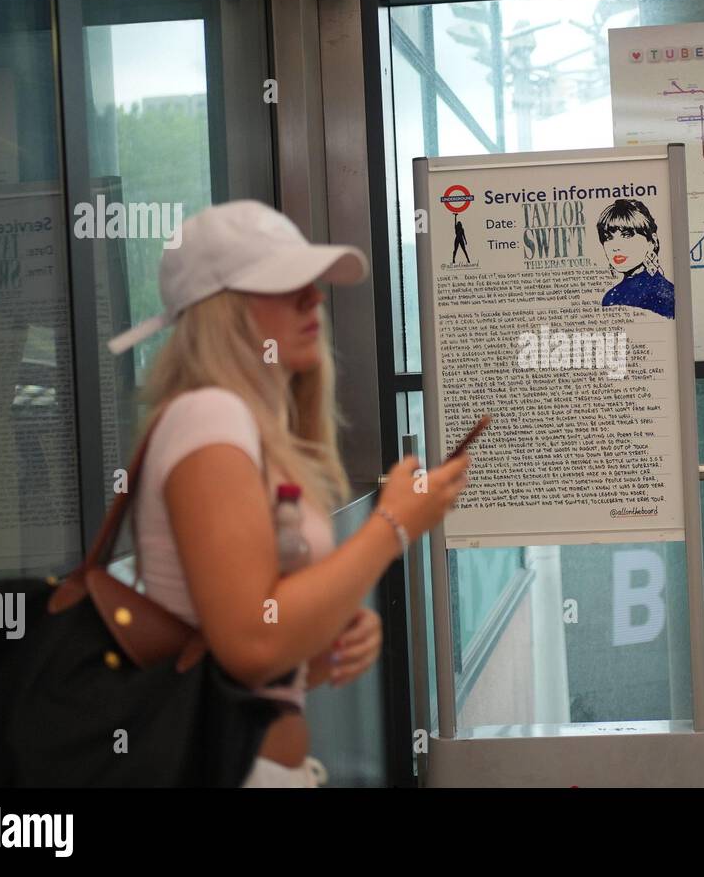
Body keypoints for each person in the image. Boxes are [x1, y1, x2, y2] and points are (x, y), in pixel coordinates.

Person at [107, 200, 469, 787]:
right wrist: (392, 527)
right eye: (283, 285)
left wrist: (324, 647)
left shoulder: (244, 428)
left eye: (311, 281)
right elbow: (251, 639)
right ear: (220, 312)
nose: (314, 299)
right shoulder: (209, 417)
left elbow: (254, 653)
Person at [596, 199, 674, 319]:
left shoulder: (665, 294)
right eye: (608, 237)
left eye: (626, 235)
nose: (615, 247)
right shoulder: (612, 296)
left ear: (651, 242)